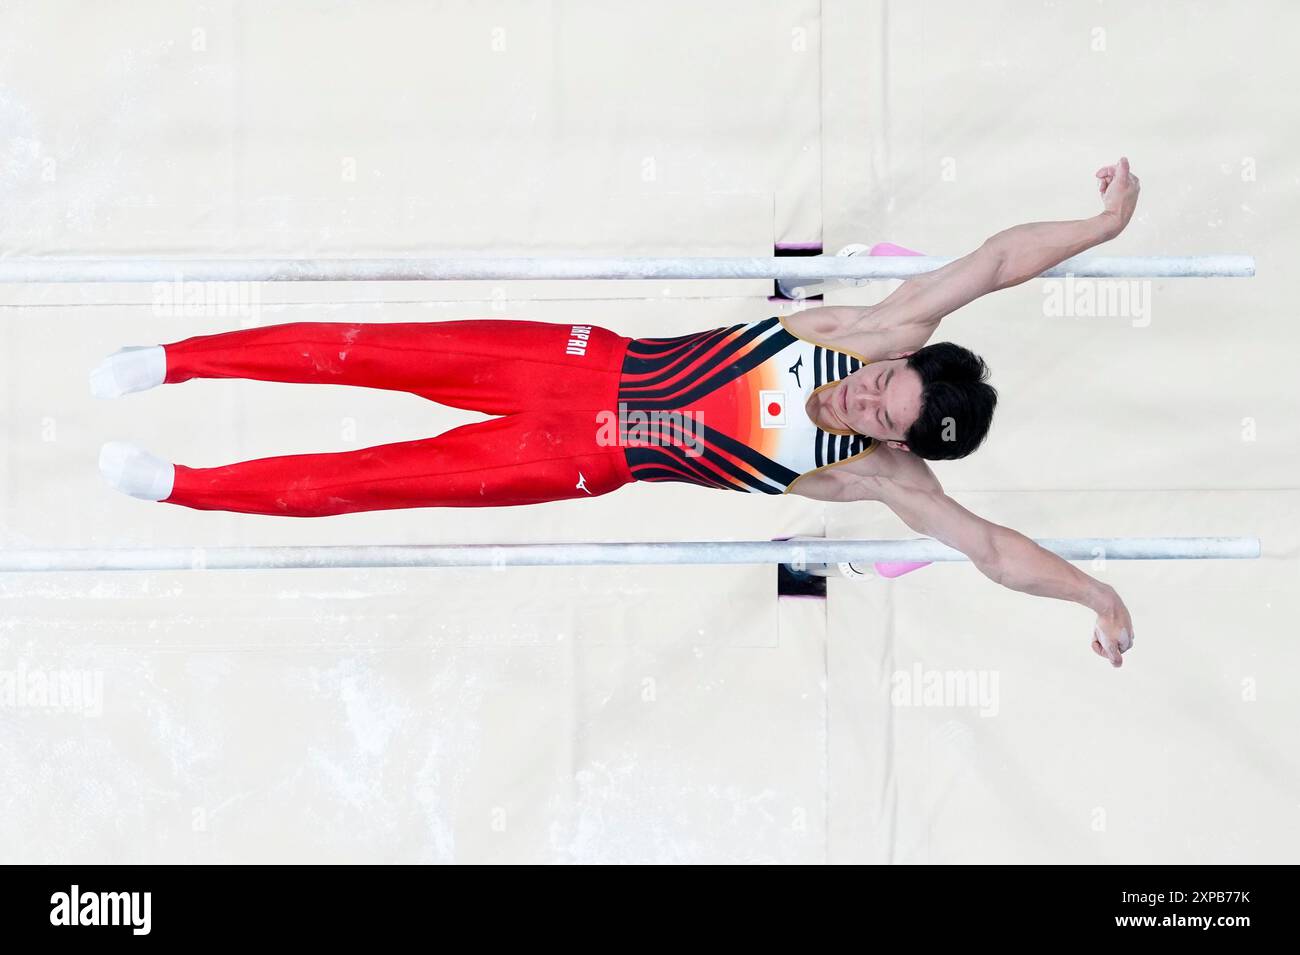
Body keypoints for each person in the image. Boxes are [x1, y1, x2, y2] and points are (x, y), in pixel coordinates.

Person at [92, 158, 1141, 666]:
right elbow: (999, 260)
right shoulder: (875, 325)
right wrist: (1099, 225)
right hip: (569, 361)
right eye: (883, 381)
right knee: (365, 350)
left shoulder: (880, 477)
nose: (861, 395)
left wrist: (1094, 593)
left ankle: (181, 485)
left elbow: (992, 551)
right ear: (902, 354)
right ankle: (173, 360)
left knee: (365, 482)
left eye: (882, 414)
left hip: (577, 462)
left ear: (897, 443)